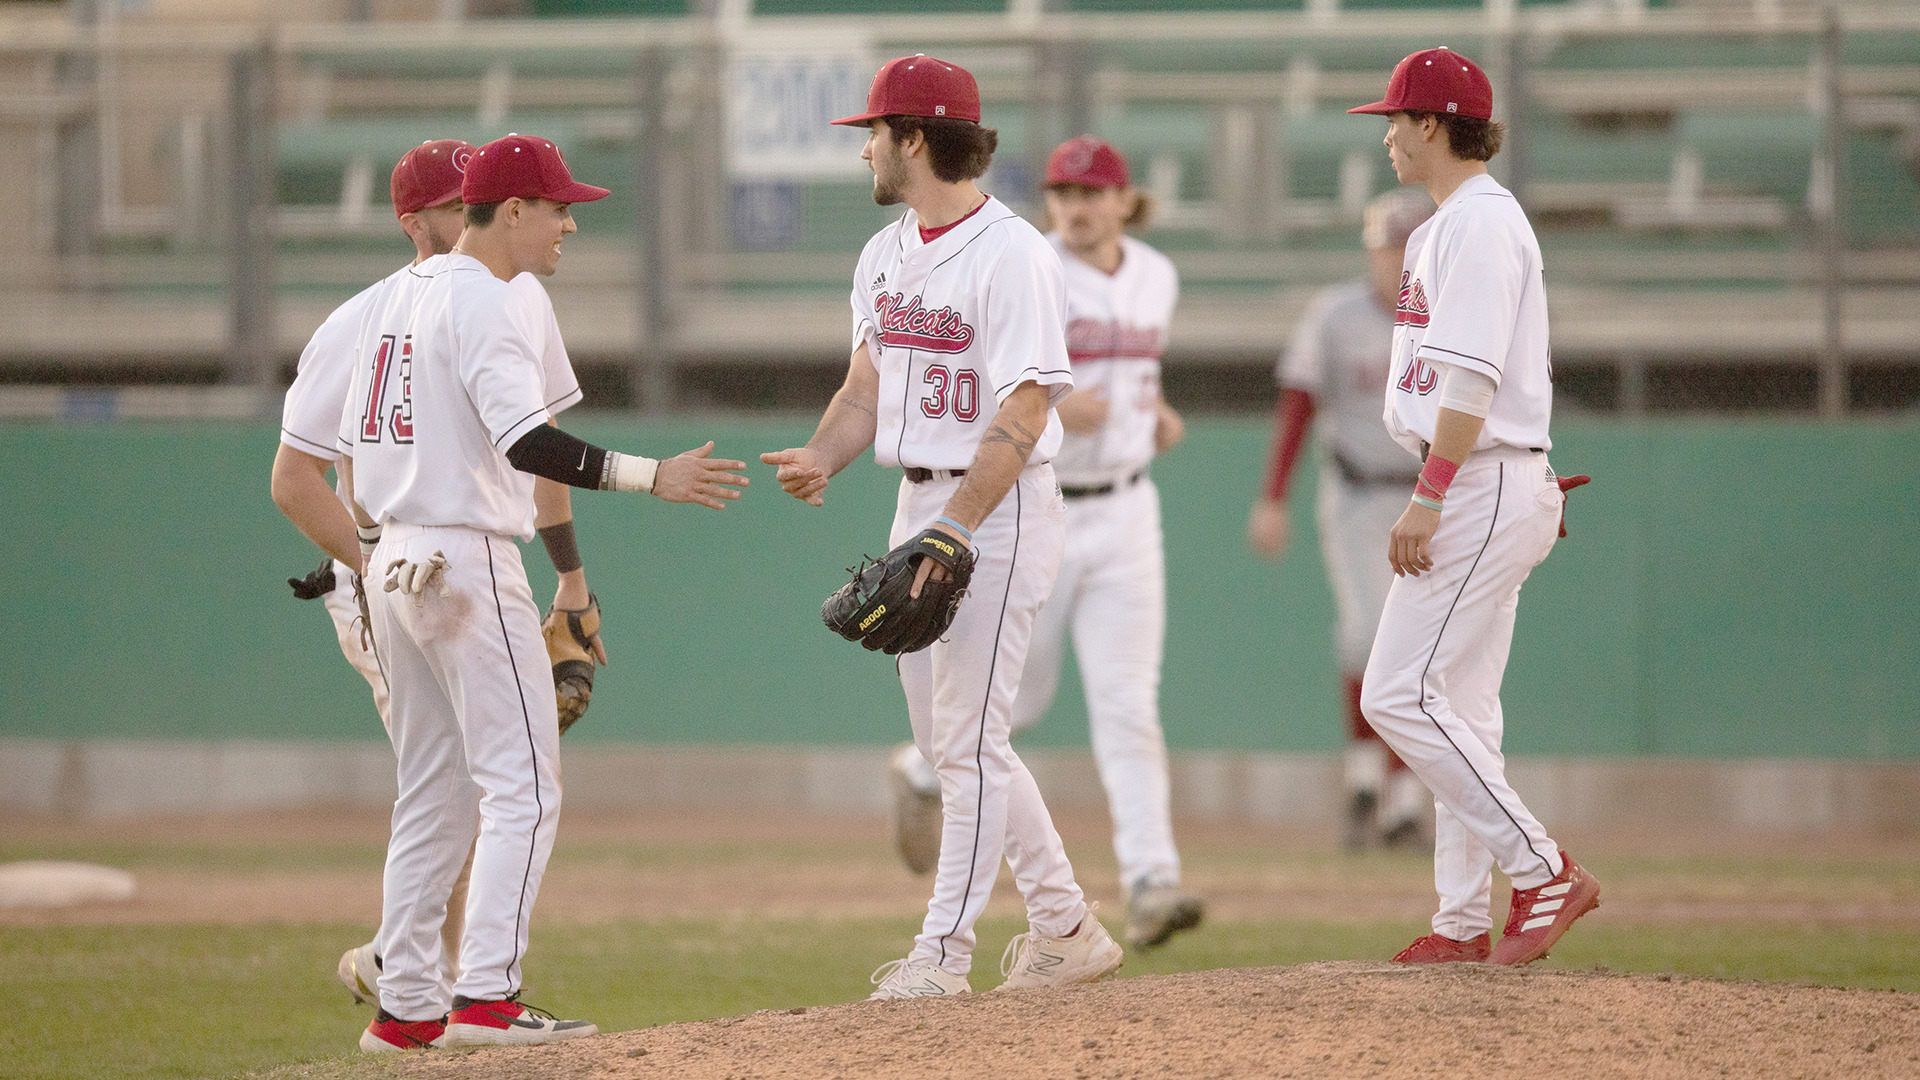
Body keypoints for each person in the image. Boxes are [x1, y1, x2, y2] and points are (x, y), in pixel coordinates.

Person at [336, 133, 749, 1051]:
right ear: (509, 210)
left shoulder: (396, 296)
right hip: (468, 560)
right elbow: (532, 445)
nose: (569, 223)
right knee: (522, 784)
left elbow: (354, 457)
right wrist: (655, 476)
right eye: (558, 207)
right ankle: (485, 996)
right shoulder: (486, 299)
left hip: (395, 553)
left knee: (432, 792)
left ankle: (406, 1010)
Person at [761, 55, 1122, 998]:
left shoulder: (1013, 253)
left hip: (992, 509)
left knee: (965, 741)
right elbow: (863, 389)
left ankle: (941, 957)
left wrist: (955, 530)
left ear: (915, 138)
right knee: (956, 745)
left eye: (873, 133)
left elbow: (1029, 407)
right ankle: (1065, 927)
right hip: (917, 500)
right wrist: (821, 455)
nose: (866, 151)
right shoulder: (884, 254)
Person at [272, 139, 611, 1011]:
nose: (471, 209)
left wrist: (571, 579)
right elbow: (293, 476)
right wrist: (370, 557)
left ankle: (414, 990)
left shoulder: (514, 300)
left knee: (450, 787)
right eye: (455, 200)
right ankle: (471, 989)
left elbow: (530, 460)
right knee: (498, 785)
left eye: (476, 194)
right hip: (411, 567)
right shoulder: (371, 316)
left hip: (433, 559)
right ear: (415, 220)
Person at [888, 135, 1203, 950]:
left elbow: (1140, 370)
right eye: (1064, 193)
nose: (1077, 206)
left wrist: (1152, 413)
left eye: (1092, 192)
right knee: (1010, 705)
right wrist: (1069, 415)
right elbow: (1013, 394)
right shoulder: (1032, 264)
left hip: (1130, 509)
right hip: (1038, 502)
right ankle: (924, 771)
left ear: (1124, 199)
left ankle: (1150, 879)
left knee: (1128, 704)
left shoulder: (1157, 275)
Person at [1346, 48, 1600, 966]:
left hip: (1479, 477)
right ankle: (1460, 920)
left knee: (1396, 694)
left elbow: (1472, 381)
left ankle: (1542, 871)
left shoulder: (1484, 225)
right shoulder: (1438, 229)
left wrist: (1428, 496)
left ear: (1431, 124)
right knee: (1458, 707)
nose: (1385, 134)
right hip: (1483, 477)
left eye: (1394, 118)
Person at [1248, 190, 1437, 853]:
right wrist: (1273, 496)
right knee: (1366, 633)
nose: (1394, 260)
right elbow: (1298, 403)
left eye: (1406, 246)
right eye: (1386, 246)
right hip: (1357, 493)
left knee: (1419, 647)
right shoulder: (1337, 313)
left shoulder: (1449, 317)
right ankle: (1366, 781)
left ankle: (1402, 800)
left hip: (1431, 497)